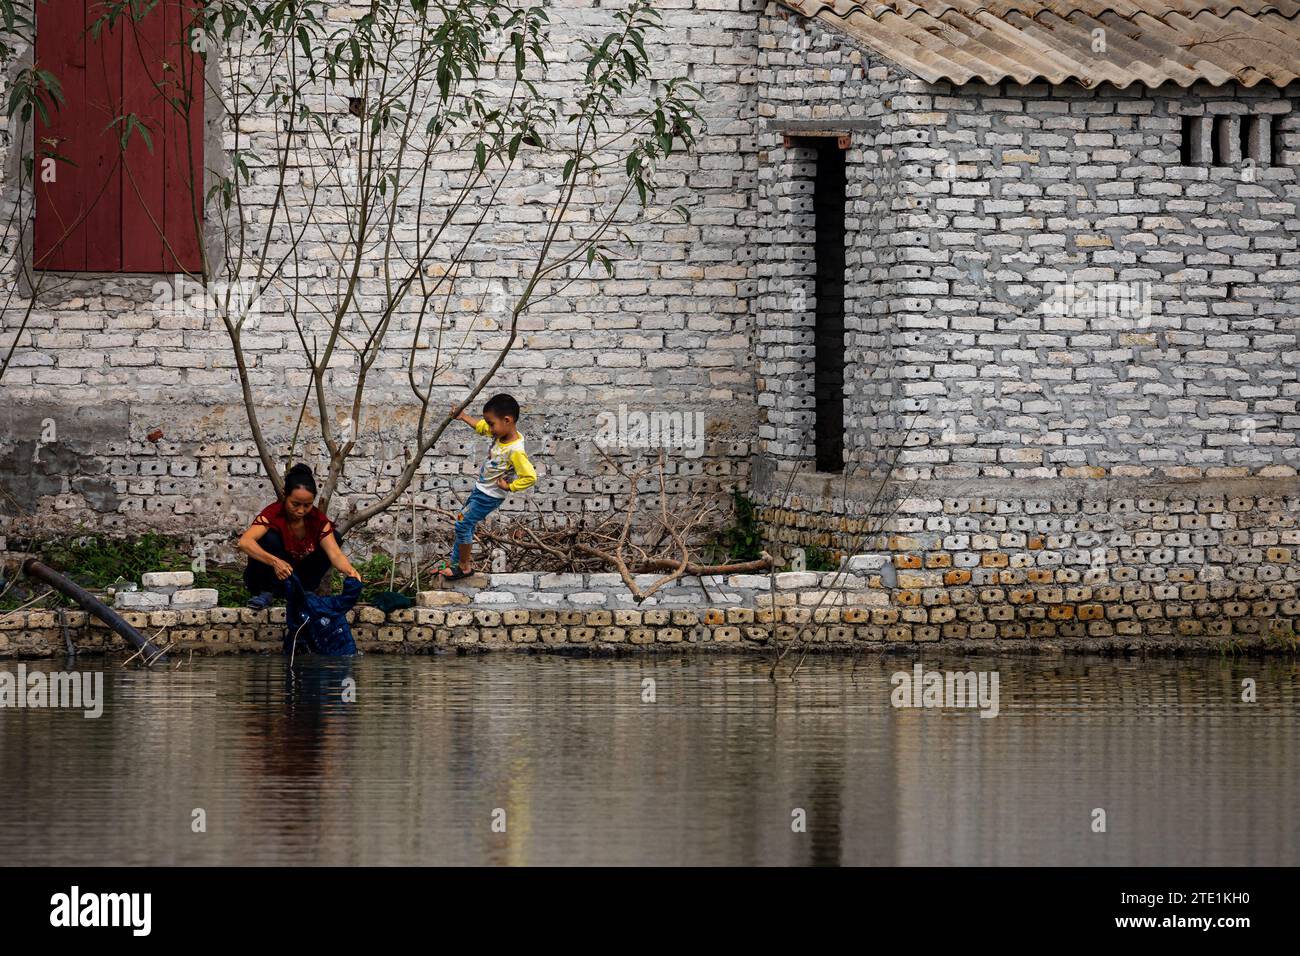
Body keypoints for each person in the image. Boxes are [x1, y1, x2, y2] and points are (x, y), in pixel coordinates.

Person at [441, 393, 537, 581]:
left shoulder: (516, 450)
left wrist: (510, 486)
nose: (489, 428)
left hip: (489, 496)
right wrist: (463, 417)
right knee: (463, 523)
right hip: (481, 490)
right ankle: (455, 566)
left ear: (507, 420)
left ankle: (464, 567)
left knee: (462, 523)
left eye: (492, 423)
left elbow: (530, 477)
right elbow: (482, 427)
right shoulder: (501, 434)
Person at [238, 463, 361, 609]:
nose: (301, 510)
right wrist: (275, 562)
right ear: (285, 495)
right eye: (295, 504)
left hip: (295, 578)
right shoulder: (273, 514)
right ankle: (266, 592)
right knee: (269, 538)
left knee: (335, 537)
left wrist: (350, 571)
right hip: (264, 577)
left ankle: (305, 592)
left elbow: (334, 553)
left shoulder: (317, 520)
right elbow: (244, 542)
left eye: (307, 505)